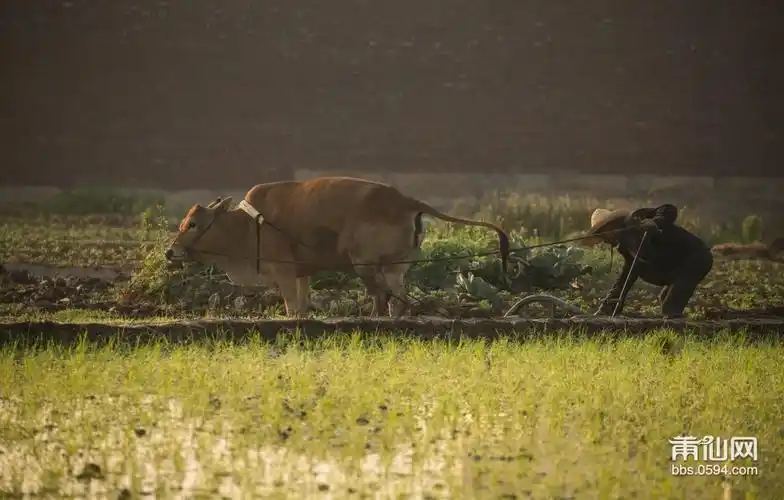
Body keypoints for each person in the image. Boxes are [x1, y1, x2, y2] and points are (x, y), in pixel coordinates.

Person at [582, 204, 713, 318]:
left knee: (670, 307)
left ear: (611, 226)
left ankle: (678, 328)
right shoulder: (628, 247)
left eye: (602, 234)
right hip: (676, 265)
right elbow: (625, 278)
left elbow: (669, 209)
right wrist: (607, 306)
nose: (603, 240)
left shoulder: (639, 218)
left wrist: (655, 222)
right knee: (664, 298)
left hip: (696, 257)